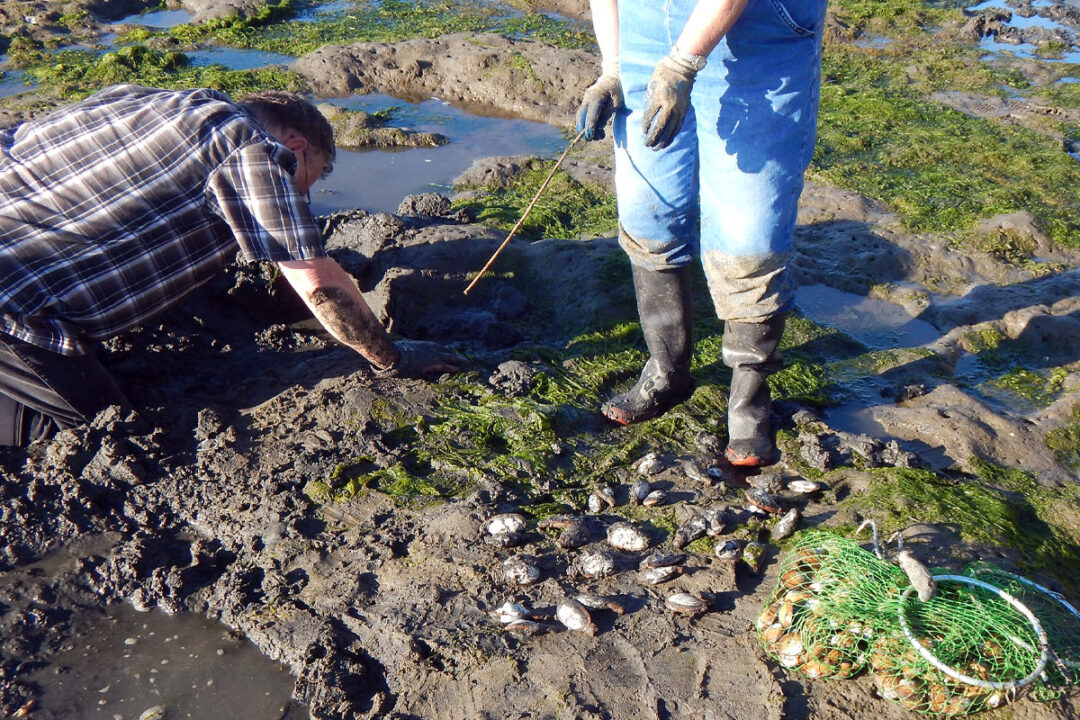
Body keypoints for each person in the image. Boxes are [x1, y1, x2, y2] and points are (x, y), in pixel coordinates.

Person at [0, 84, 461, 447]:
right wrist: (395, 358)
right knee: (95, 432)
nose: (299, 198)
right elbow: (317, 281)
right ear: (297, 147)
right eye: (306, 183)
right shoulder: (251, 147)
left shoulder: (135, 98)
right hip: (18, 312)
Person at [576, 0, 827, 466]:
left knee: (748, 228)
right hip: (644, 25)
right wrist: (613, 67)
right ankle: (667, 371)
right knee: (647, 207)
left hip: (761, 33)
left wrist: (683, 62)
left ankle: (749, 405)